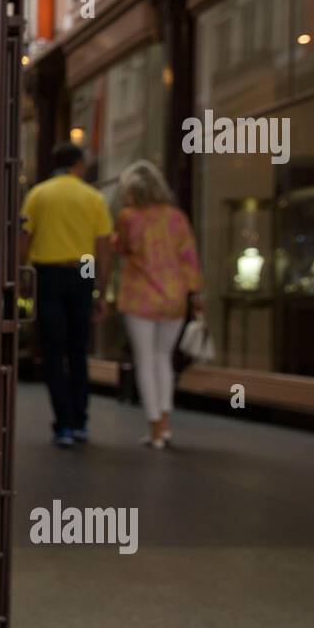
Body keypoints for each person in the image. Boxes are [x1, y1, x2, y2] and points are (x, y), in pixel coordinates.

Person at [19, 142, 113, 447]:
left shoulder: (39, 194)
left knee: (53, 350)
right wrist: (100, 288)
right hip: (83, 270)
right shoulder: (93, 197)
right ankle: (80, 420)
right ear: (80, 164)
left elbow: (24, 239)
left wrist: (22, 276)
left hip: (47, 273)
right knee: (78, 349)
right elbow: (103, 247)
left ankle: (63, 425)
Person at [113, 160, 203, 448]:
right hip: (174, 297)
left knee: (145, 360)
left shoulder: (129, 217)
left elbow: (121, 247)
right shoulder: (176, 218)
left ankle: (153, 427)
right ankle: (165, 423)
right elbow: (190, 258)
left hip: (140, 296)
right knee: (164, 358)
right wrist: (195, 293)